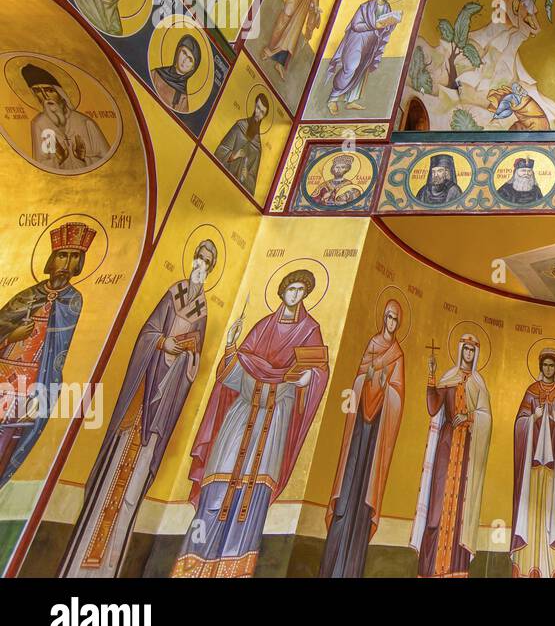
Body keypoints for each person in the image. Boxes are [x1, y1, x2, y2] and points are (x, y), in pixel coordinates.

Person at [61, 240, 216, 577]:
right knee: (111, 479)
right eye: (199, 258)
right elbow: (147, 333)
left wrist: (188, 356)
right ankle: (78, 567)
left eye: (207, 262)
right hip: (141, 399)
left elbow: (196, 358)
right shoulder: (172, 294)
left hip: (164, 405)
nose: (201, 265)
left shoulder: (203, 310)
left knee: (134, 486)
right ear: (191, 260)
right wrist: (163, 343)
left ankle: (110, 567)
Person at [171, 269, 328, 577]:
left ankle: (235, 568)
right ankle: (194, 565)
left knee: (255, 493)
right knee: (219, 483)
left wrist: (309, 378)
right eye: (290, 288)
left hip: (276, 417)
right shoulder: (262, 327)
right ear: (282, 292)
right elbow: (232, 374)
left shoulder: (310, 330)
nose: (295, 294)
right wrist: (230, 345)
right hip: (243, 414)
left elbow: (317, 371)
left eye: (300, 290)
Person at [0, 221, 94, 488]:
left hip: (32, 384)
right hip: (3, 376)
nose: (67, 262)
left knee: (8, 439)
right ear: (52, 259)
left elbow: (58, 347)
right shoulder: (27, 295)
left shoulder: (72, 300)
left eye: (74, 256)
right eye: (63, 255)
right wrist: (11, 336)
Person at [320, 298, 405, 577]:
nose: (391, 323)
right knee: (347, 491)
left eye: (395, 319)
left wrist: (383, 385)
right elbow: (357, 380)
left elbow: (397, 397)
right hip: (359, 430)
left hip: (377, 434)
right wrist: (367, 378)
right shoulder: (371, 345)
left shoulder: (398, 354)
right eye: (389, 317)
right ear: (383, 318)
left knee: (363, 500)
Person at [412, 332, 491, 577]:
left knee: (459, 508)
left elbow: (487, 418)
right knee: (438, 501)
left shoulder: (479, 383)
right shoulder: (449, 377)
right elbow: (433, 406)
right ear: (460, 351)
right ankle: (430, 568)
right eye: (465, 350)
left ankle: (455, 568)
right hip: (446, 446)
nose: (468, 354)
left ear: (475, 355)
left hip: (466, 448)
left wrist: (469, 417)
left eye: (472, 351)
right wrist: (432, 375)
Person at [509, 346, 555, 578]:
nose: (548, 369)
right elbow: (518, 425)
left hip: (552, 473)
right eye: (545, 365)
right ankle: (525, 566)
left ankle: (550, 566)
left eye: (551, 365)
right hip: (532, 471)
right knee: (530, 513)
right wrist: (533, 418)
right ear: (541, 367)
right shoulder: (531, 391)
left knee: (549, 514)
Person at [326, 0, 402, 114]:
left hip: (372, 43)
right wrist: (374, 25)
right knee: (351, 67)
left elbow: (383, 27)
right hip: (357, 40)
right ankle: (332, 99)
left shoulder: (387, 8)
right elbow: (356, 25)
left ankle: (350, 100)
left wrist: (390, 23)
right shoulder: (365, 7)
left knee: (361, 69)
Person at [22, 62, 110, 171]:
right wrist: (59, 160)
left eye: (49, 90)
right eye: (38, 91)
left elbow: (109, 162)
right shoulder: (39, 124)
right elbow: (39, 166)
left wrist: (83, 159)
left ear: (60, 93)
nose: (45, 96)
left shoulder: (85, 122)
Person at [213, 93, 269, 195]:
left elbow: (252, 182)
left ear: (264, 116)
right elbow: (220, 150)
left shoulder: (257, 148)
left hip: (233, 193)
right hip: (218, 178)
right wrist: (234, 156)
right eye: (258, 108)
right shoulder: (239, 126)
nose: (258, 113)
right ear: (255, 105)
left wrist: (246, 176)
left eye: (262, 112)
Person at [150, 34, 202, 113]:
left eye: (190, 59)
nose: (185, 60)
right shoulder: (156, 74)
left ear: (193, 68)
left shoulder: (183, 98)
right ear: (178, 51)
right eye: (184, 53)